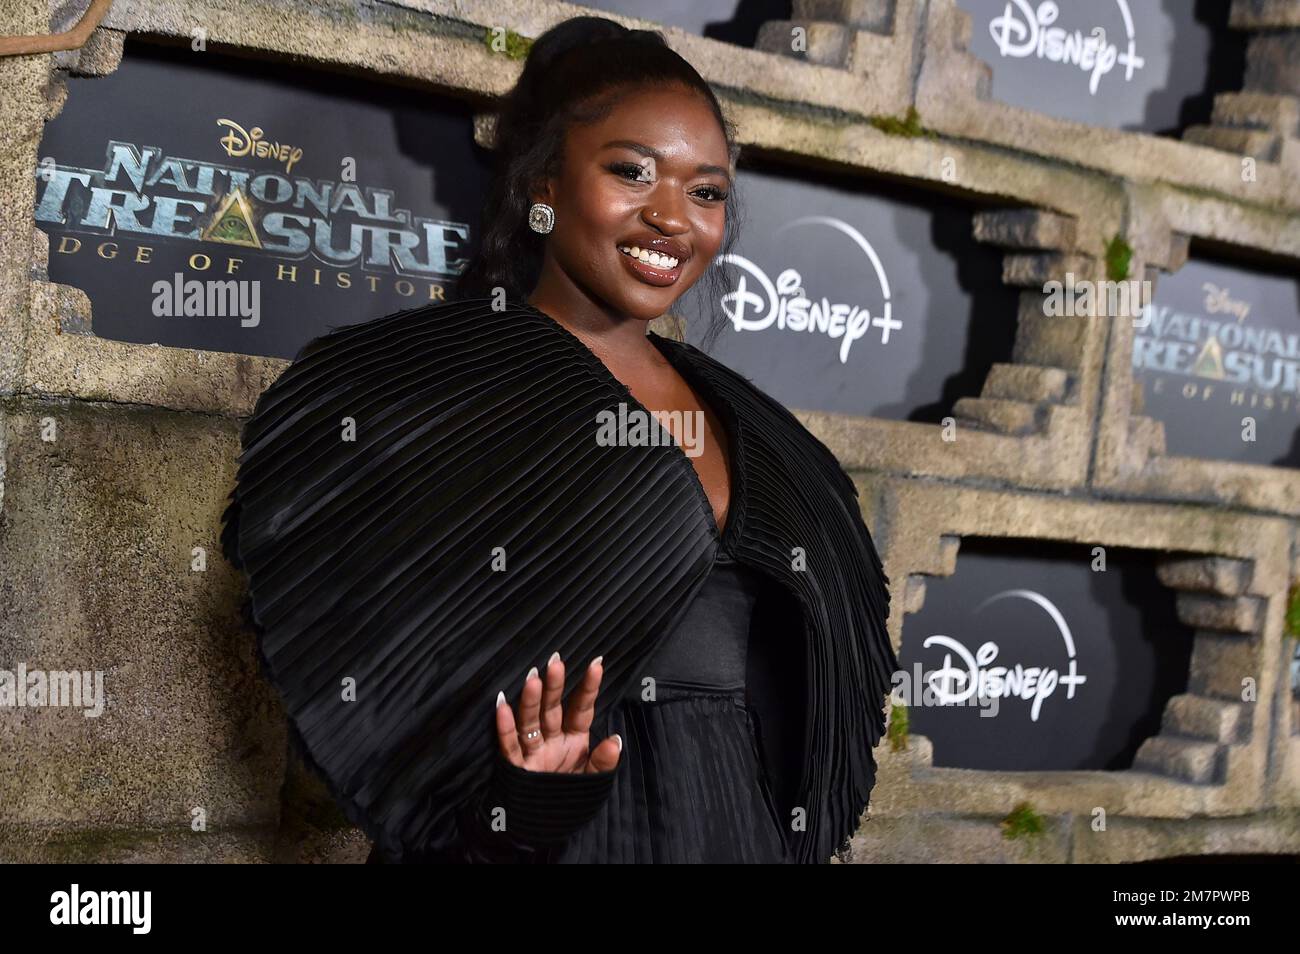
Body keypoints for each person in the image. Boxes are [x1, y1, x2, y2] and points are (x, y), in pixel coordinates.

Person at [221, 15, 899, 864]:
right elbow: (388, 712)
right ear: (544, 183)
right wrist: (528, 800)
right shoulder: (425, 387)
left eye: (707, 192)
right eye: (631, 172)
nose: (672, 220)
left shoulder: (760, 428)